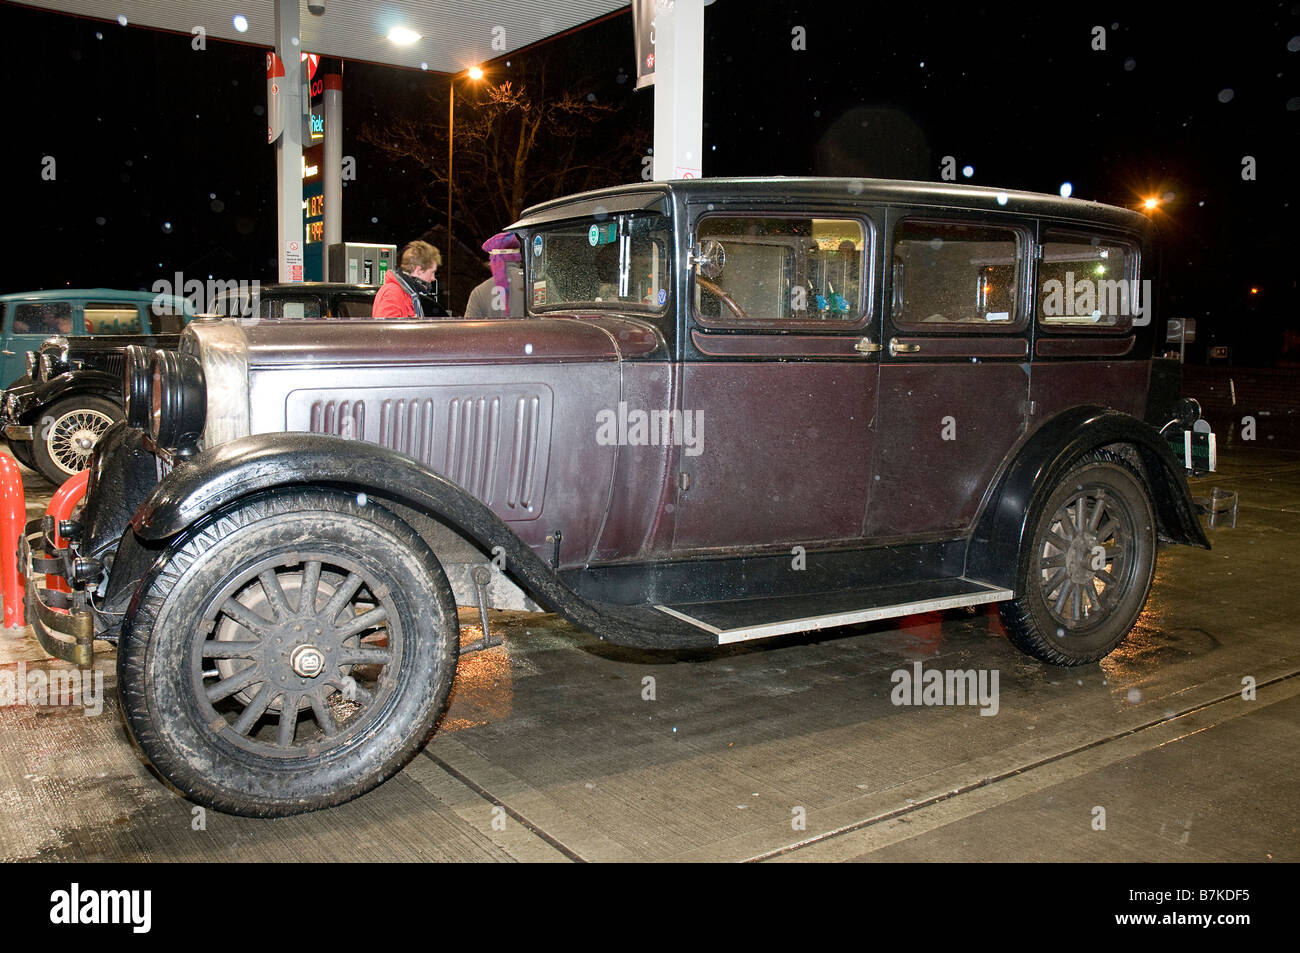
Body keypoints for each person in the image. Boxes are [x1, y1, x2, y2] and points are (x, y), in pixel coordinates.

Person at [463, 232, 526, 318]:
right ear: (518, 257)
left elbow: (469, 330)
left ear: (494, 260)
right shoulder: (533, 283)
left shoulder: (479, 292)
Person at [373, 240, 441, 318]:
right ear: (419, 270)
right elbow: (385, 328)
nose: (433, 278)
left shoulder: (409, 295)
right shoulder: (393, 292)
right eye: (432, 272)